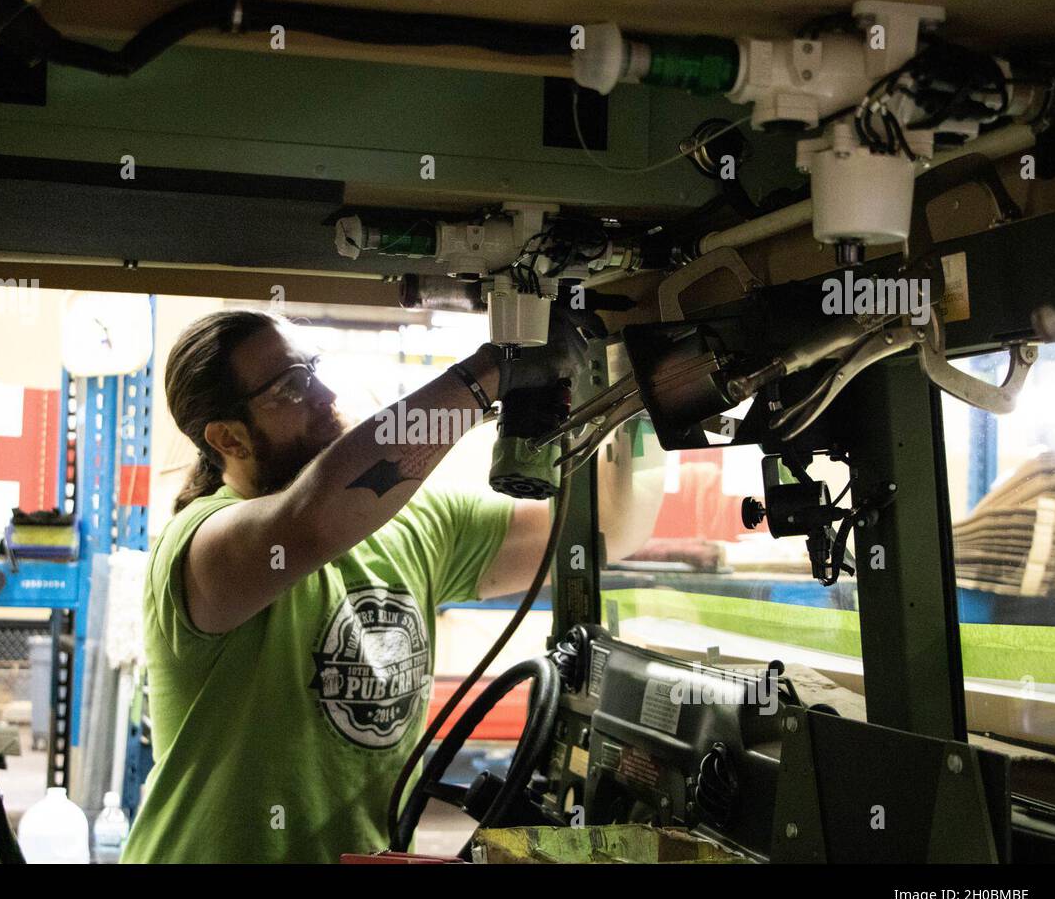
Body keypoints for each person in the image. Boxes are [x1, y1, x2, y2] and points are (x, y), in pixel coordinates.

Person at [121, 309, 660, 863]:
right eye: (292, 385)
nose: (325, 392)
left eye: (315, 368)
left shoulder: (416, 524)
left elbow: (612, 524)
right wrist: (491, 372)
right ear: (228, 437)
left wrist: (632, 374)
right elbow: (312, 518)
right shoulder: (202, 547)